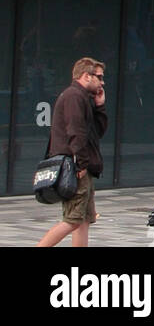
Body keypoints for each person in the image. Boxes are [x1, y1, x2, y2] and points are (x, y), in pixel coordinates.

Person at [37, 57, 108, 248]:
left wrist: (100, 107)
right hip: (76, 167)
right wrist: (82, 164)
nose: (102, 82)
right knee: (74, 219)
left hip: (81, 166)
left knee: (83, 219)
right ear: (86, 76)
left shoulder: (83, 98)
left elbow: (95, 134)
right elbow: (75, 132)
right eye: (99, 77)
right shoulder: (74, 97)